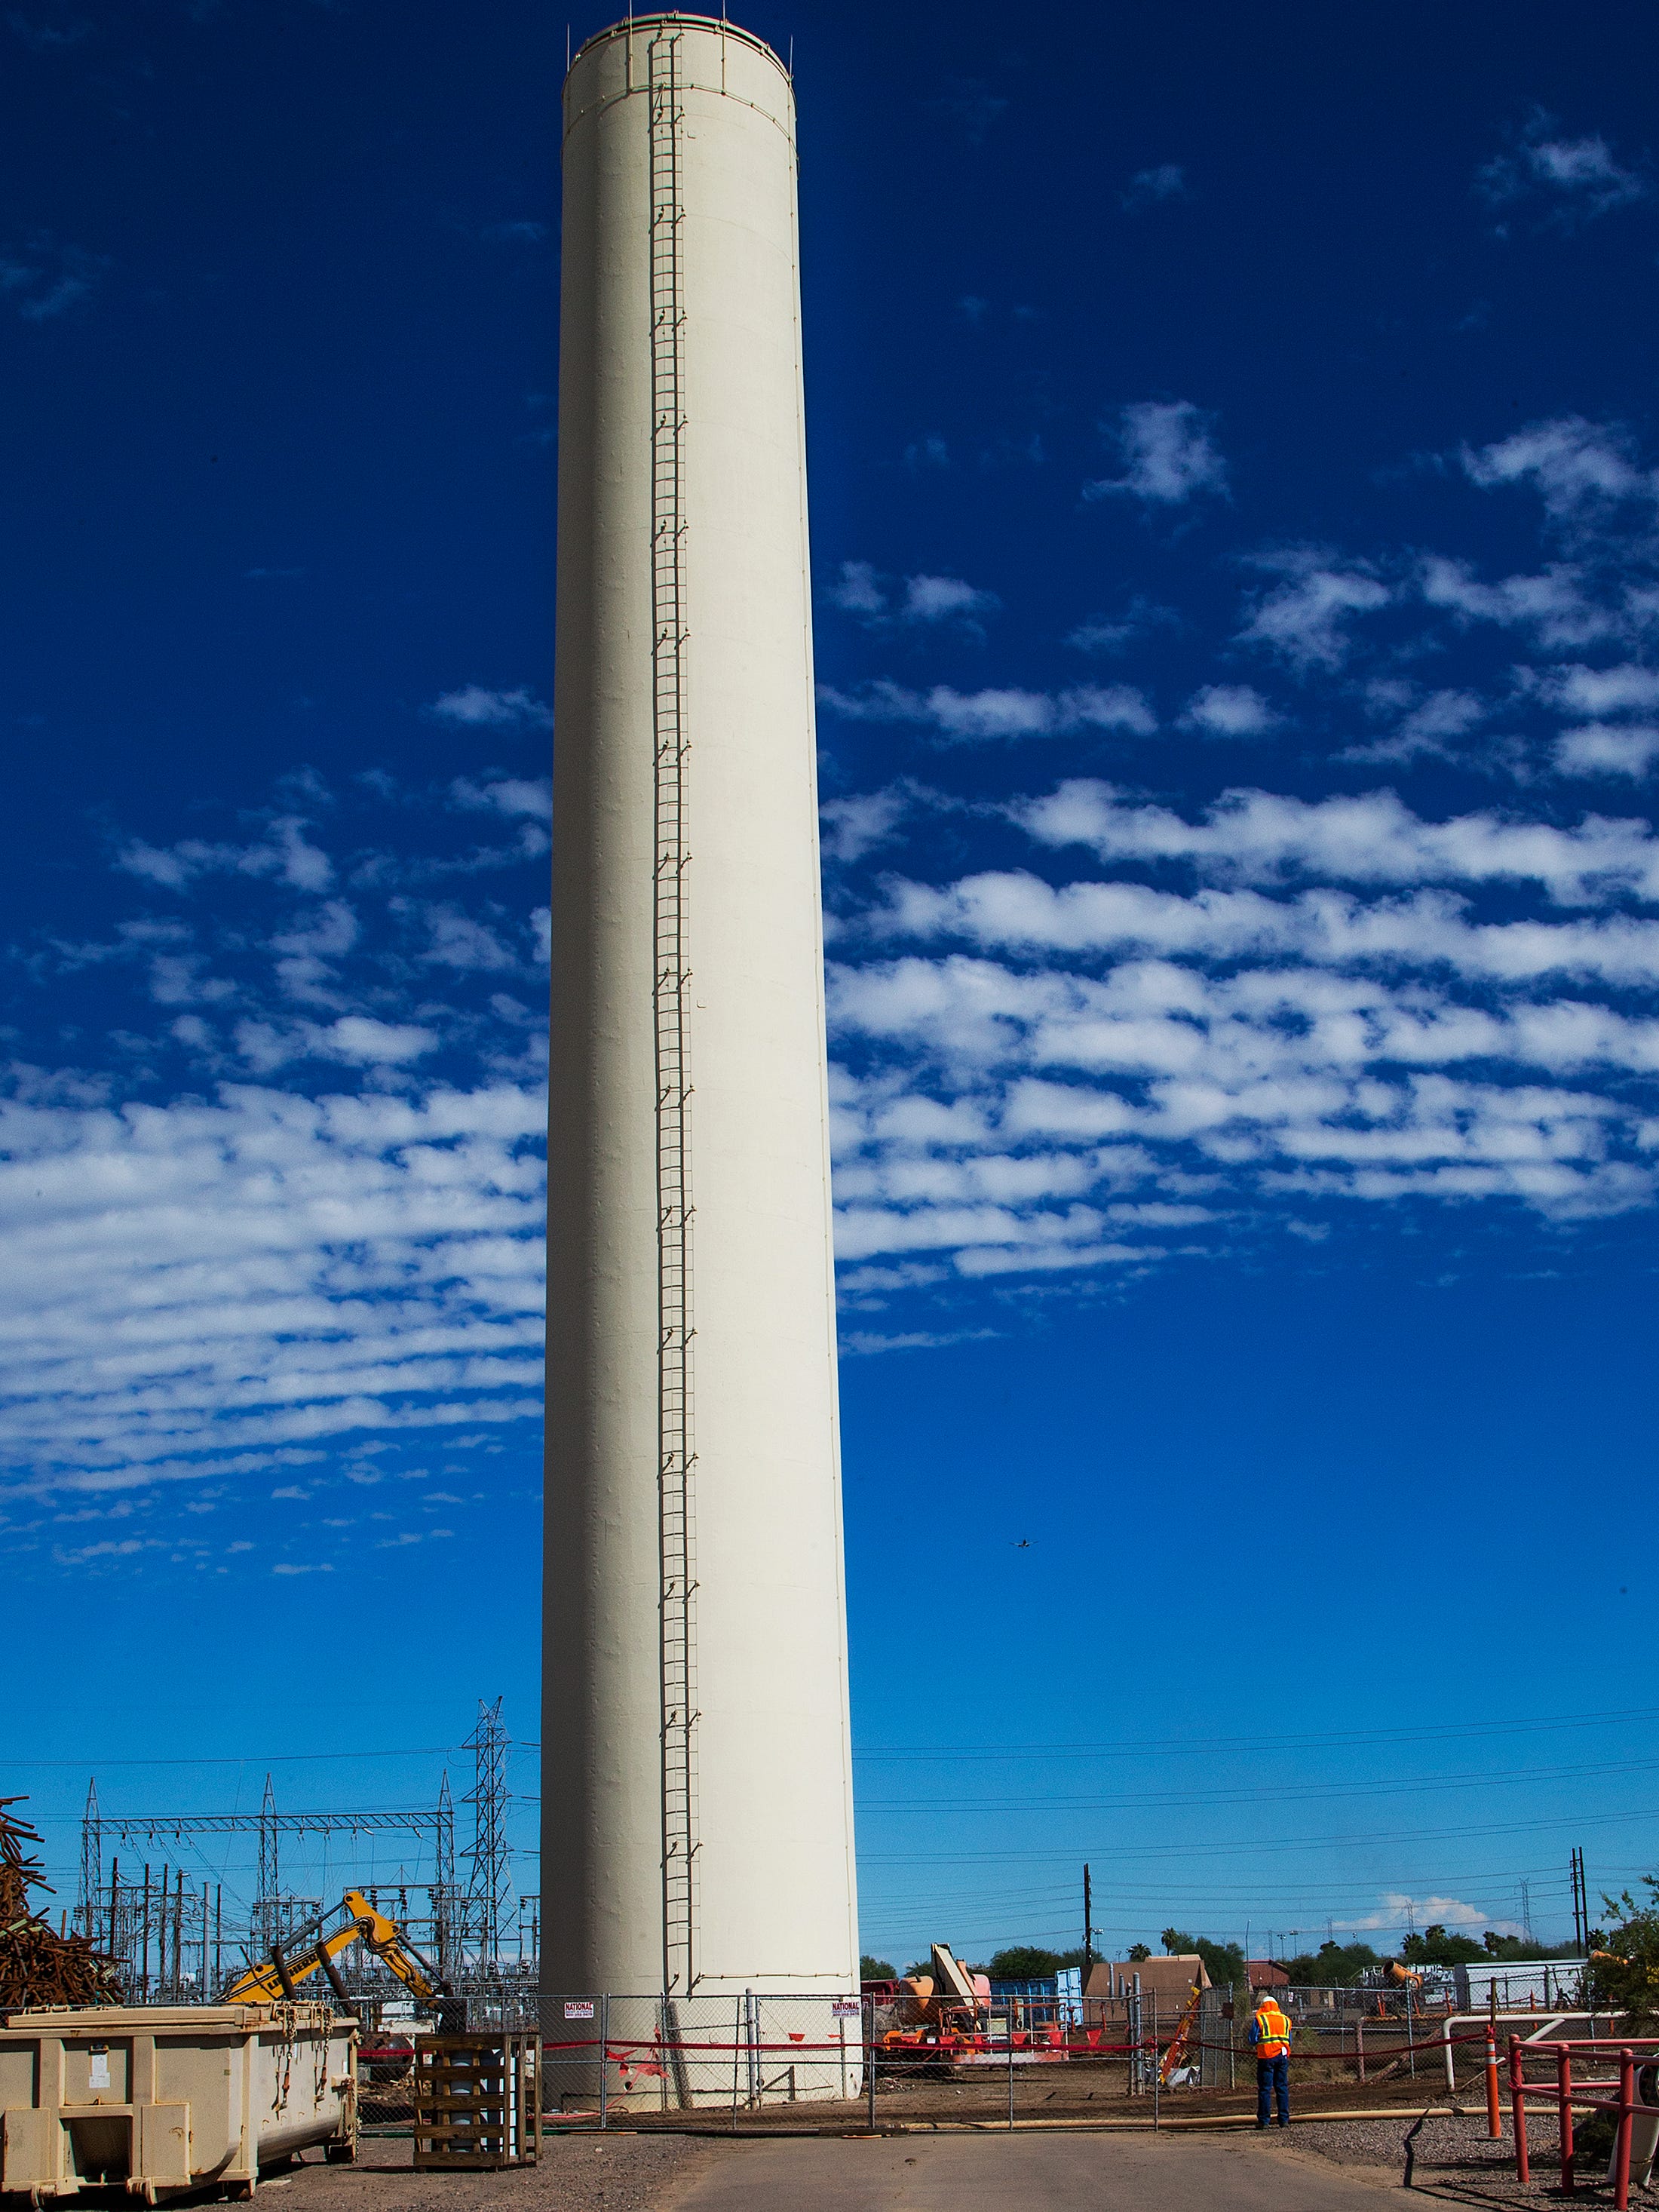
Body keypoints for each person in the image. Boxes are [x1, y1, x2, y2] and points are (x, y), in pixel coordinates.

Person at [1250, 1987, 1292, 2128]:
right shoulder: (1285, 2020)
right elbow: (1289, 2040)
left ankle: (1264, 2121)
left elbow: (1252, 2039)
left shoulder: (1261, 2019)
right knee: (1282, 2088)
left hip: (1266, 2056)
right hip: (1282, 2057)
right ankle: (1284, 2120)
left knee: (1265, 2089)